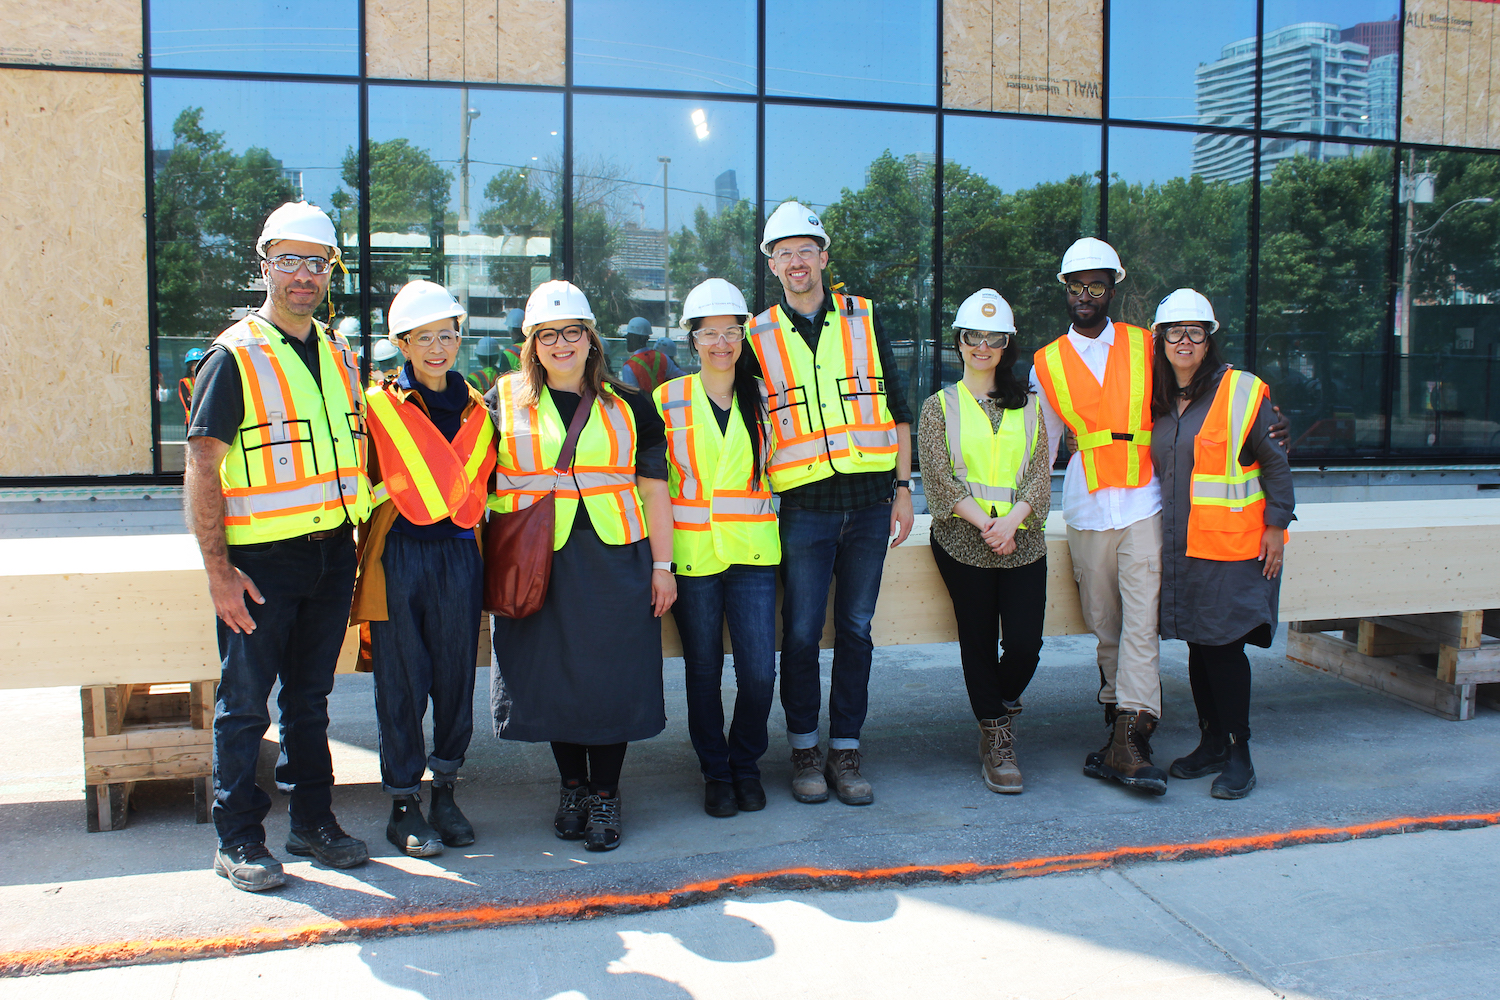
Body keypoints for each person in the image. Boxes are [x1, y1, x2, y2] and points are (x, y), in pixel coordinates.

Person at [183, 201, 373, 891]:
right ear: (264, 265)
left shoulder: (340, 353)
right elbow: (202, 466)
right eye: (288, 259)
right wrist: (218, 571)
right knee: (244, 704)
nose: (303, 274)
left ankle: (313, 822)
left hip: (331, 553)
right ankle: (237, 839)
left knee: (311, 698)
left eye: (316, 262)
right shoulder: (234, 356)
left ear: (331, 271)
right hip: (261, 563)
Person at [485, 280, 675, 852]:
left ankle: (606, 793)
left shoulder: (632, 404)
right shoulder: (500, 400)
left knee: (611, 678)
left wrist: (663, 566)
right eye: (548, 335)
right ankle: (572, 788)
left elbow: (655, 490)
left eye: (572, 331)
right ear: (532, 343)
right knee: (551, 678)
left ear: (591, 339)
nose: (561, 343)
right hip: (535, 562)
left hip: (615, 559)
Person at [745, 200, 914, 806]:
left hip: (870, 503)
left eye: (805, 251)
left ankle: (845, 749)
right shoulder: (756, 335)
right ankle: (804, 750)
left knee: (856, 629)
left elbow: (897, 407)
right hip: (804, 509)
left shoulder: (863, 317)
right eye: (783, 253)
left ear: (823, 257)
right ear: (772, 265)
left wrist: (903, 489)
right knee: (800, 632)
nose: (796, 262)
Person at [350, 279, 496, 856]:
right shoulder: (378, 406)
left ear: (459, 338)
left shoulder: (480, 409)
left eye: (447, 335)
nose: (438, 348)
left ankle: (446, 793)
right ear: (401, 343)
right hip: (399, 556)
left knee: (456, 679)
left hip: (459, 555)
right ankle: (403, 803)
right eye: (424, 337)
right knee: (402, 681)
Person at [1149, 289, 1293, 800]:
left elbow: (1276, 461)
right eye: (1175, 332)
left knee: (1225, 649)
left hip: (1234, 549)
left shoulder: (1241, 391)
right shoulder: (1159, 400)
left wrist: (1277, 525)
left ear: (1208, 340)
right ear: (1161, 340)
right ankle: (1211, 742)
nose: (1184, 341)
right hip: (1183, 548)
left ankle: (1239, 755)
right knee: (1199, 644)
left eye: (1195, 332)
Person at [918, 289, 1050, 794]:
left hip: (1021, 539)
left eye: (994, 338)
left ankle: (998, 703)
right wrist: (989, 526)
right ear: (959, 341)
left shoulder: (1030, 405)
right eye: (973, 336)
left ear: (1006, 345)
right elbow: (940, 481)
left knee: (1025, 645)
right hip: (961, 539)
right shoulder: (939, 407)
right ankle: (996, 739)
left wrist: (1011, 523)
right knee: (976, 640)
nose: (982, 346)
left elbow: (1039, 476)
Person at [655, 278, 779, 818]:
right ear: (693, 339)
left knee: (759, 673)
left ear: (743, 337)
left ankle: (746, 764)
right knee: (702, 672)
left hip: (753, 553)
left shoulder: (767, 399)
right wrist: (659, 562)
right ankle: (717, 772)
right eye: (709, 333)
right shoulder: (668, 399)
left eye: (731, 332)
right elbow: (654, 485)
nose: (721, 343)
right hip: (692, 555)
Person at [618, 315, 685, 393]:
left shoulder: (629, 367)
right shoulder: (663, 358)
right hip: (663, 400)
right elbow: (683, 378)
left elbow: (630, 396)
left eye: (630, 337)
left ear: (641, 339)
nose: (628, 341)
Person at [178, 348, 206, 426]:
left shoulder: (207, 379)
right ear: (190, 366)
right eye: (195, 364)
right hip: (192, 422)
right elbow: (188, 404)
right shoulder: (185, 382)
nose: (198, 366)